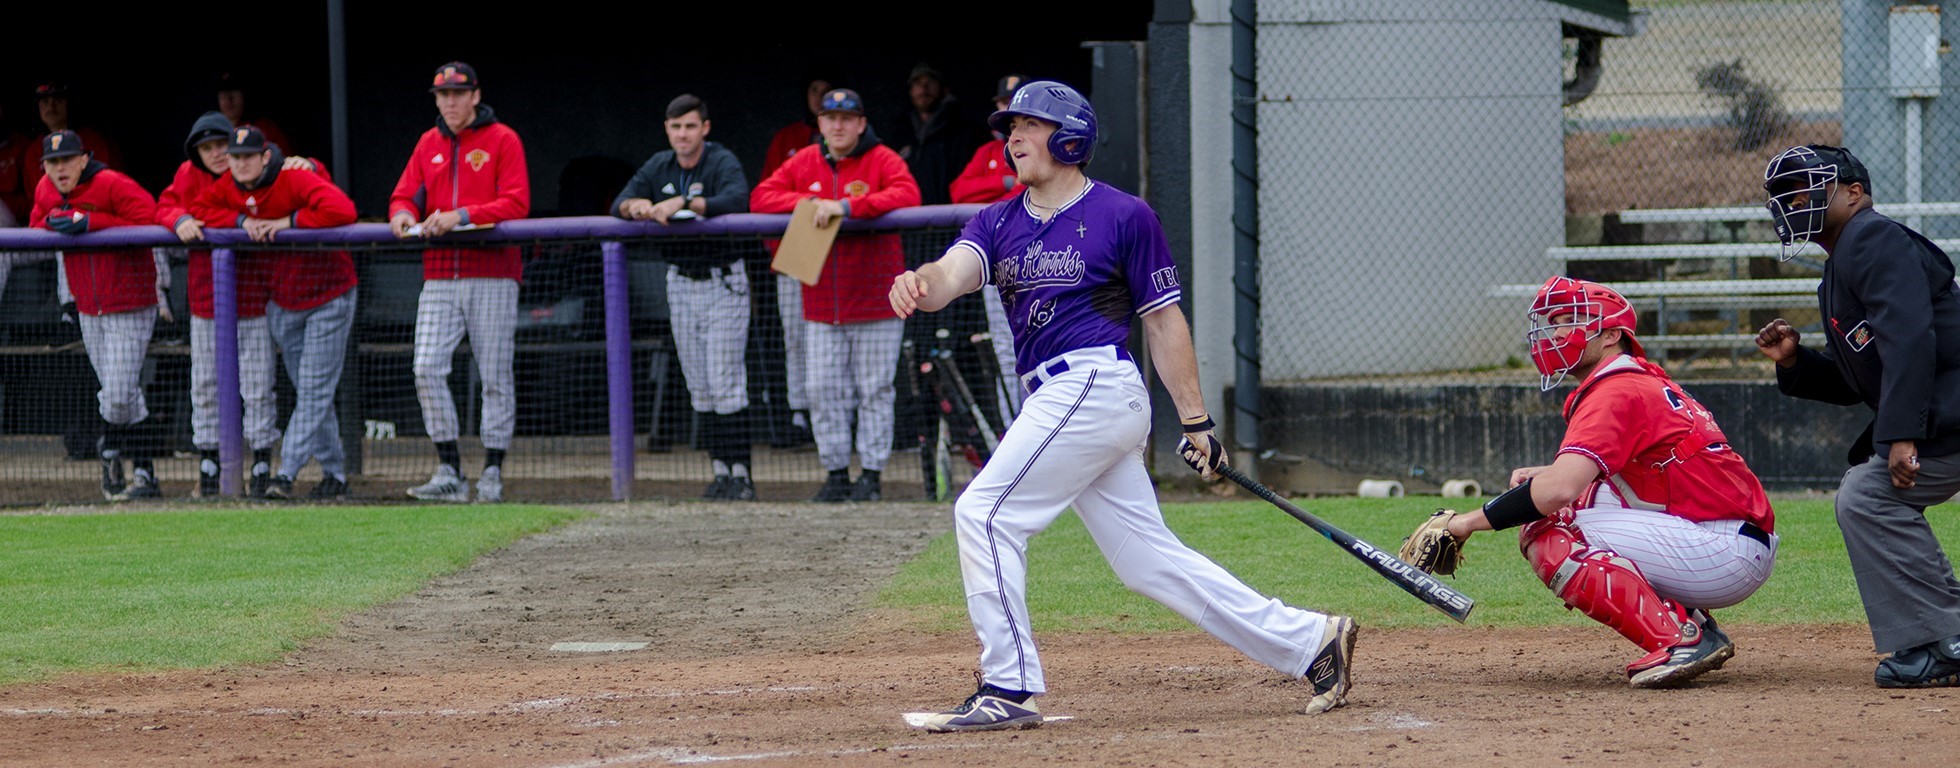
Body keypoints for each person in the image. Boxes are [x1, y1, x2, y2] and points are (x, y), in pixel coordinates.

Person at [887, 80, 1356, 730]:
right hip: (1061, 399)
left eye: (1028, 126)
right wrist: (918, 282)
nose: (1013, 137)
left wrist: (1196, 421)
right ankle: (1311, 641)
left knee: (985, 514)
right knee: (1145, 560)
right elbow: (948, 276)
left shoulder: (1123, 215)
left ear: (1069, 138)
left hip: (1093, 384)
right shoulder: (996, 222)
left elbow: (1163, 321)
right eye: (1010, 128)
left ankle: (1008, 685)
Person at [1427, 276, 1777, 687]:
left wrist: (1465, 523)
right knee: (1578, 497)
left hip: (1721, 551)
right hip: (1728, 540)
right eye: (1554, 323)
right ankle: (1692, 625)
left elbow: (1558, 491)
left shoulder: (1616, 390)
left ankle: (1678, 640)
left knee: (1549, 523)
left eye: (1570, 321)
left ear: (1612, 335)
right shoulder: (1634, 380)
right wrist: (1551, 474)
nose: (1557, 334)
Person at [1757, 144, 1960, 688]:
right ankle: (1947, 631)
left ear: (1854, 193)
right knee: (1871, 495)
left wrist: (1901, 434)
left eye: (1806, 192)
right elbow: (1860, 381)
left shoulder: (1873, 238)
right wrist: (1796, 362)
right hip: (1945, 411)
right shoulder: (1839, 268)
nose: (1794, 205)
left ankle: (1947, 639)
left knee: (1869, 496)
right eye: (1786, 199)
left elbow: (1910, 339)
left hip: (1947, 413)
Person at [752, 88, 921, 502]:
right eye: (830, 118)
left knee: (875, 390)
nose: (838, 125)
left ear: (861, 123)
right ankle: (835, 473)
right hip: (822, 304)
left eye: (846, 118)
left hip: (877, 301)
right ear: (821, 123)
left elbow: (907, 194)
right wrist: (810, 202)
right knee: (822, 390)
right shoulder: (806, 159)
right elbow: (761, 197)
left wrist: (847, 207)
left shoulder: (882, 158)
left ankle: (871, 475)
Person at [388, 61, 531, 503]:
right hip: (439, 274)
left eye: (457, 93)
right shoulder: (428, 142)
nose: (449, 102)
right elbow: (404, 194)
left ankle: (492, 470)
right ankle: (449, 468)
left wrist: (462, 215)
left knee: (495, 374)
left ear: (475, 96)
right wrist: (402, 214)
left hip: (491, 272)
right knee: (426, 367)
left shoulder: (502, 138)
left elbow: (517, 202)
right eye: (442, 95)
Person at [191, 126, 359, 500]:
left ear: (265, 156)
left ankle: (285, 474)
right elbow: (199, 208)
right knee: (310, 391)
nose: (241, 163)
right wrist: (240, 222)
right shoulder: (228, 186)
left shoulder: (293, 176)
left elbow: (342, 209)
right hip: (283, 302)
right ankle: (335, 474)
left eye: (248, 156)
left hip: (328, 296)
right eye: (235, 157)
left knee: (313, 390)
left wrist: (289, 222)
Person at [613, 94, 755, 500]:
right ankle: (720, 471)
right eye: (675, 127)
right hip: (680, 282)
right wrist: (636, 205)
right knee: (701, 385)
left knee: (725, 381)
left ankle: (741, 475)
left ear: (704, 128)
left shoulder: (720, 160)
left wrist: (687, 201)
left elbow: (738, 199)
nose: (682, 134)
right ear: (667, 129)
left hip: (722, 280)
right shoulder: (659, 164)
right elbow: (618, 202)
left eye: (690, 126)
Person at [157, 112, 286, 497]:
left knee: (258, 386)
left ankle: (260, 462)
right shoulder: (188, 175)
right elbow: (162, 206)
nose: (215, 153)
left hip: (254, 299)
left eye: (220, 145)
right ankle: (209, 464)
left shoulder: (255, 170)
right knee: (206, 385)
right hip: (206, 302)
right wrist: (178, 218)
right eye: (207, 148)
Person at [29, 130, 160, 500]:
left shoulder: (111, 183)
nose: (60, 168)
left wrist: (92, 222)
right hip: (88, 305)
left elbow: (151, 219)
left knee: (116, 394)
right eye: (53, 162)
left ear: (84, 158)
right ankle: (146, 474)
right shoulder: (45, 188)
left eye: (67, 160)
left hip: (130, 302)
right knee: (122, 392)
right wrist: (58, 218)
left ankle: (110, 450)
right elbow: (37, 223)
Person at [946, 73, 1031, 422]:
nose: (1008, 109)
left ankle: (1043, 421)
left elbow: (1029, 193)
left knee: (1040, 343)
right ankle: (1014, 425)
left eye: (1015, 103)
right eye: (1003, 103)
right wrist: (1006, 181)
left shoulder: (1043, 152)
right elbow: (959, 191)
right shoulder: (987, 153)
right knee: (1004, 348)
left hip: (1040, 258)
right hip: (997, 260)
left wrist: (1005, 189)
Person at [760, 77, 830, 447]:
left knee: (835, 339)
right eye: (814, 90)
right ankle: (798, 412)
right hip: (797, 254)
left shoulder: (864, 152)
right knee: (796, 338)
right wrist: (806, 203)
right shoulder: (789, 140)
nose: (820, 98)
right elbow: (762, 197)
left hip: (839, 263)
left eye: (826, 90)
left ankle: (836, 416)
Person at [894, 64, 981, 207]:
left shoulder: (963, 131)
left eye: (930, 82)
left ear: (944, 89)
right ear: (910, 90)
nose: (924, 89)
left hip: (953, 215)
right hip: (910, 215)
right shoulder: (901, 131)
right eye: (917, 83)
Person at [23, 84, 121, 193]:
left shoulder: (93, 141)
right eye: (45, 101)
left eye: (58, 100)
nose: (51, 107)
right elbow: (33, 195)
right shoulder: (33, 151)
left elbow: (110, 183)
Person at [215, 71, 294, 155]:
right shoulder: (213, 130)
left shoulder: (265, 127)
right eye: (223, 95)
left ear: (244, 96)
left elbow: (284, 157)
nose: (229, 100)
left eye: (234, 94)